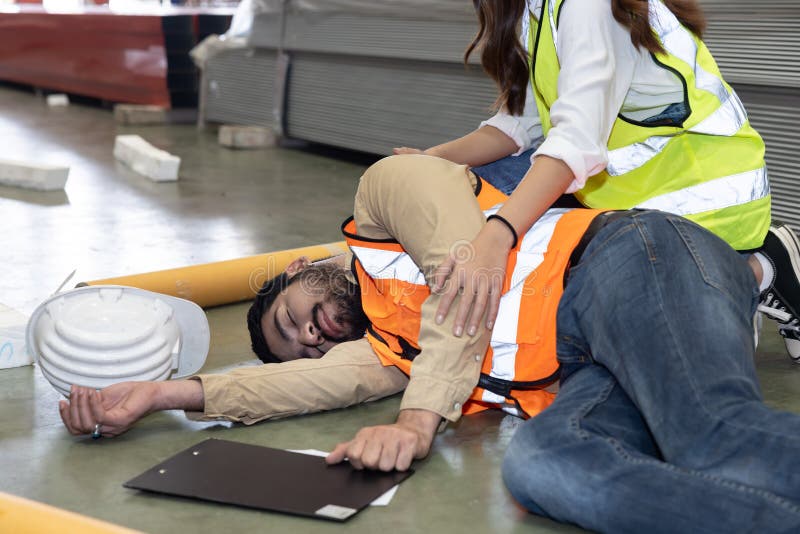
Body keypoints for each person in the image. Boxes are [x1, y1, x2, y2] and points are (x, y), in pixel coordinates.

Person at [59, 155, 800, 532]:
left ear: (299, 269)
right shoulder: (384, 347)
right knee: (548, 468)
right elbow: (301, 386)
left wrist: (417, 422)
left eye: (295, 317)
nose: (312, 337)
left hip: (632, 262)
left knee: (708, 434)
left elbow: (461, 286)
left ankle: (765, 264)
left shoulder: (386, 193)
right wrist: (164, 395)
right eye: (305, 345)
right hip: (586, 364)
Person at [393, 0, 800, 362]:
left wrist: (497, 235)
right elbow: (524, 124)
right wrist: (430, 161)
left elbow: (573, 145)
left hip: (705, 204)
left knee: (613, 343)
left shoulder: (588, 7)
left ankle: (749, 273)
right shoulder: (538, 11)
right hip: (635, 202)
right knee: (470, 186)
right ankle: (713, 285)